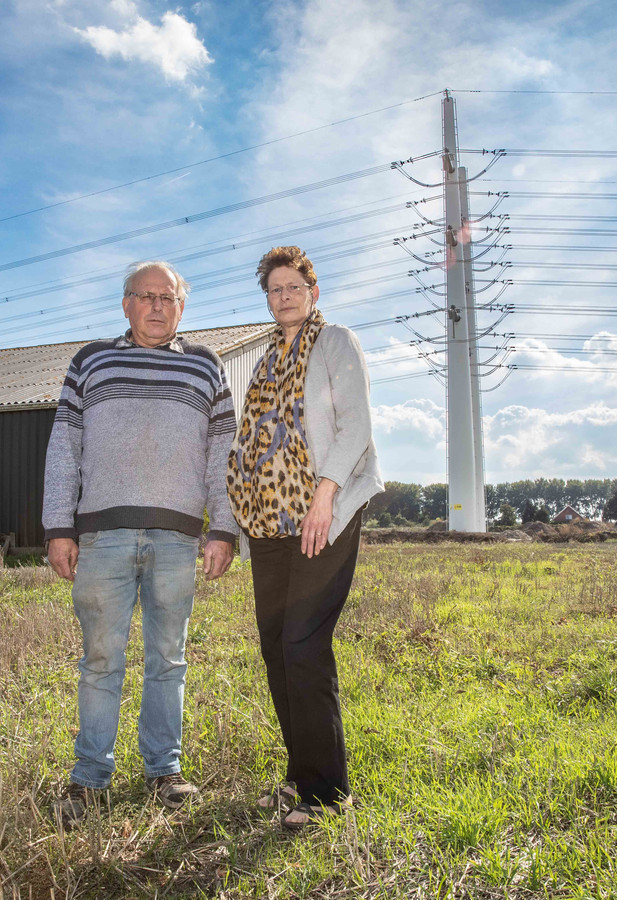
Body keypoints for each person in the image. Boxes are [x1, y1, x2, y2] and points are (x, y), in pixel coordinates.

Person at [42, 260, 237, 828]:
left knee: (167, 659)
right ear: (125, 304)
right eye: (144, 296)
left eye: (167, 297)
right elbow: (64, 447)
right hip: (102, 535)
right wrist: (59, 526)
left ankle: (164, 771)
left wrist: (222, 528)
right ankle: (89, 778)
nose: (156, 306)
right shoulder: (90, 362)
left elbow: (222, 453)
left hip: (178, 538)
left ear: (183, 306)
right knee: (101, 660)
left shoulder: (205, 368)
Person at [227, 245, 383, 830]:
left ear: (312, 293)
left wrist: (325, 495)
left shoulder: (335, 341)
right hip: (269, 522)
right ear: (267, 299)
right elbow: (252, 436)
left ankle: (326, 793)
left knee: (303, 643)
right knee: (275, 645)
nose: (285, 296)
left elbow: (356, 426)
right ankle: (299, 773)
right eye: (275, 289)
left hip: (323, 513)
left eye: (294, 286)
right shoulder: (267, 358)